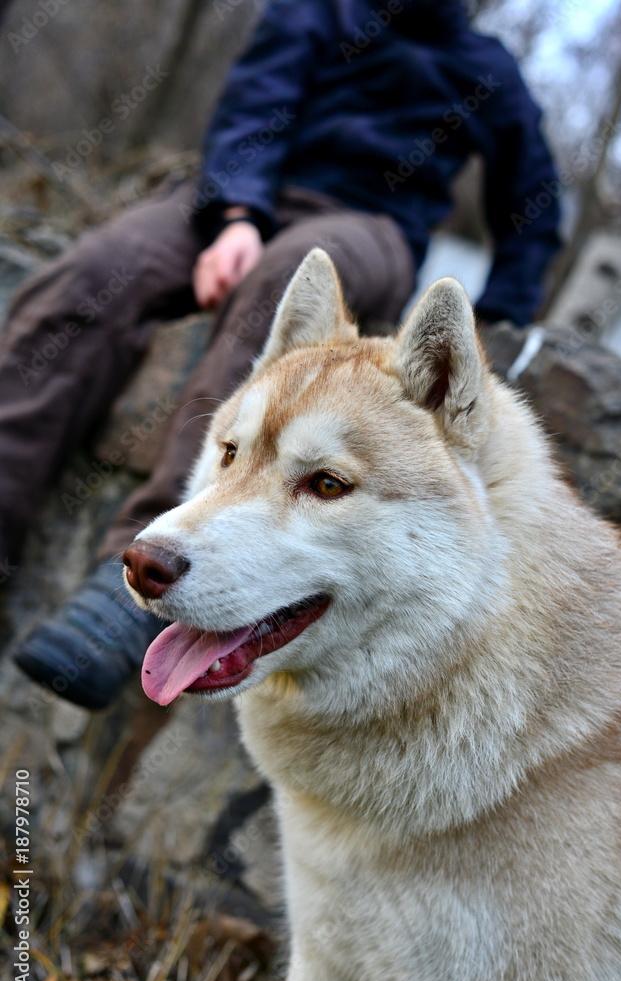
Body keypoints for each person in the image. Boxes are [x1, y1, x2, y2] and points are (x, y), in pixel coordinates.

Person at [0, 0, 561, 709]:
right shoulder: (316, 9)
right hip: (236, 196)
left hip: (369, 225)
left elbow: (533, 208)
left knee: (284, 276)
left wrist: (495, 324)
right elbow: (253, 100)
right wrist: (237, 214)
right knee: (88, 277)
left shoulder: (488, 69)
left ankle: (133, 584)